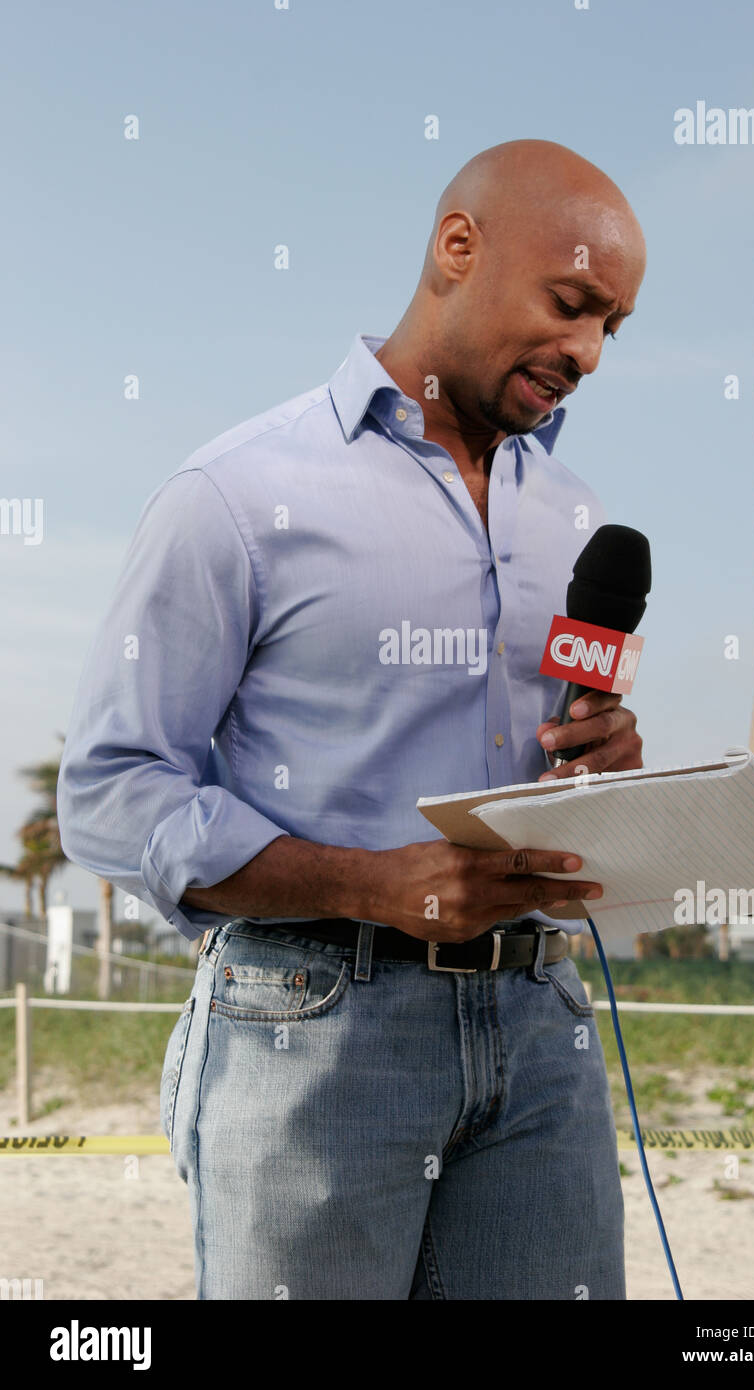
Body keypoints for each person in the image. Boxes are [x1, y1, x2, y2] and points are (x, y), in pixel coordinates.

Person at [57, 138, 646, 1300]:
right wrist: (367, 884)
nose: (584, 352)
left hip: (541, 1028)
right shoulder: (233, 496)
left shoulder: (579, 515)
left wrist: (610, 758)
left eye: (610, 330)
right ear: (457, 247)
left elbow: (560, 750)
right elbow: (114, 791)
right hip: (312, 1026)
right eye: (571, 304)